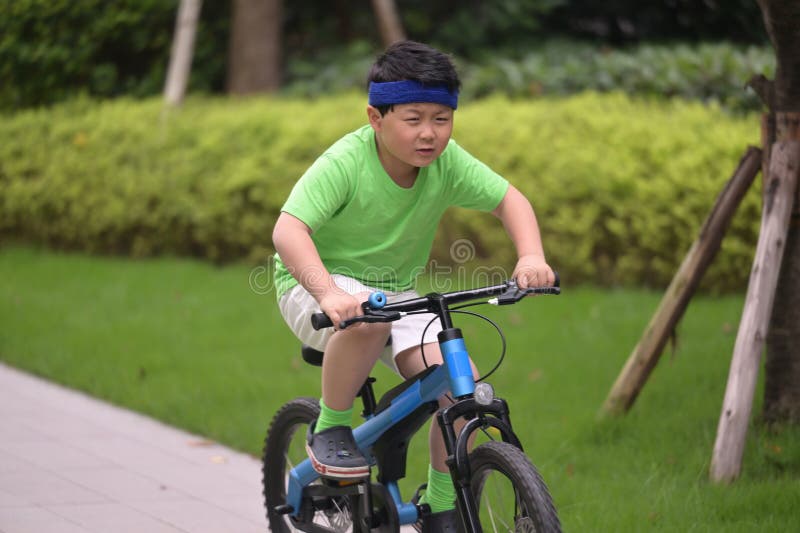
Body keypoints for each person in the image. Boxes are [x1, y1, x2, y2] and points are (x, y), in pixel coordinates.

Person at [272, 40, 555, 532]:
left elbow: (509, 200)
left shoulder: (447, 163)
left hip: (396, 296)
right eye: (413, 119)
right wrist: (330, 293)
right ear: (376, 118)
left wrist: (531, 256)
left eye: (441, 119)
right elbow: (288, 231)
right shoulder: (346, 162)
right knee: (366, 320)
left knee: (460, 385)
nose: (429, 133)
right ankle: (331, 428)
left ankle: (442, 506)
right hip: (314, 284)